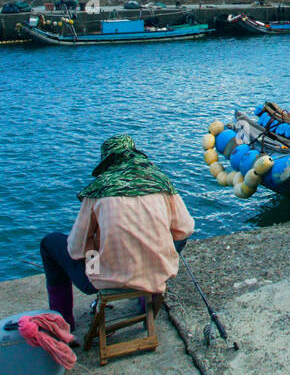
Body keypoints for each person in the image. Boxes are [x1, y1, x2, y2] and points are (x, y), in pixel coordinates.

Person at [40, 134, 195, 331]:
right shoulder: (161, 182)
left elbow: (75, 249)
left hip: (103, 279)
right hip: (158, 272)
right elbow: (186, 228)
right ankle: (144, 290)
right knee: (169, 238)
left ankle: (63, 325)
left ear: (107, 161)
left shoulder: (98, 191)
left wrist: (94, 256)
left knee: (49, 242)